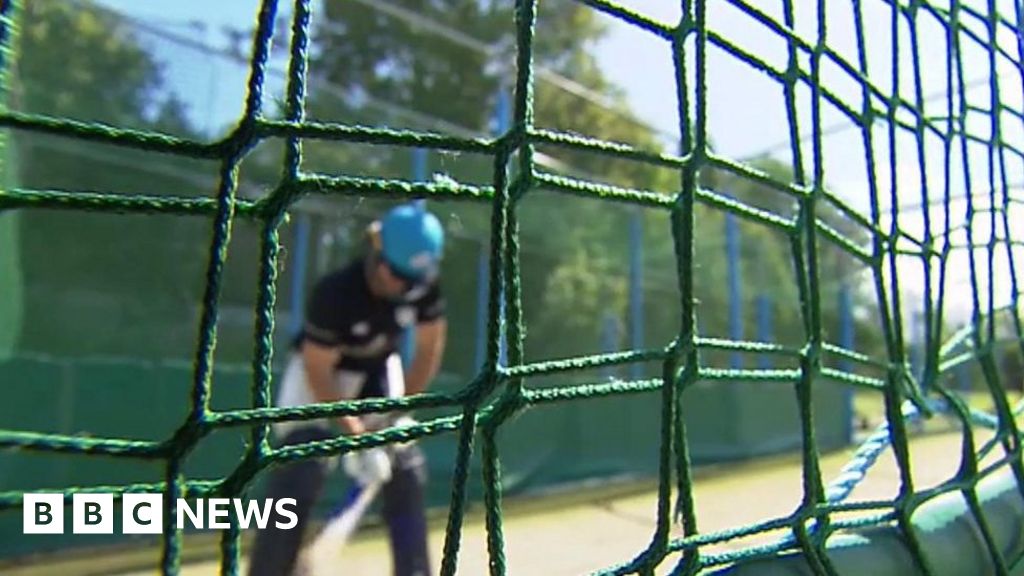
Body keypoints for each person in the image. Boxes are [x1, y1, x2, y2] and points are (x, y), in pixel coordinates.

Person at [247, 201, 447, 576]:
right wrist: (355, 434)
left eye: (413, 280)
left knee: (405, 470)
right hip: (319, 380)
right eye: (398, 276)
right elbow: (318, 369)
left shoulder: (421, 286)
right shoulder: (335, 293)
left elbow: (428, 348)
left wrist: (399, 413)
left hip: (377, 377)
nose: (406, 288)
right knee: (301, 468)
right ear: (376, 251)